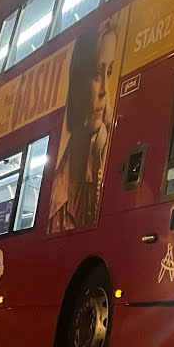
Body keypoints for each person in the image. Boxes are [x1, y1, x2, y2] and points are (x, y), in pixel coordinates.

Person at [48, 15, 122, 232]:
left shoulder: (103, 167)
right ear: (78, 82)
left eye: (109, 72)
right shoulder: (57, 188)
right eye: (98, 74)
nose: (105, 91)